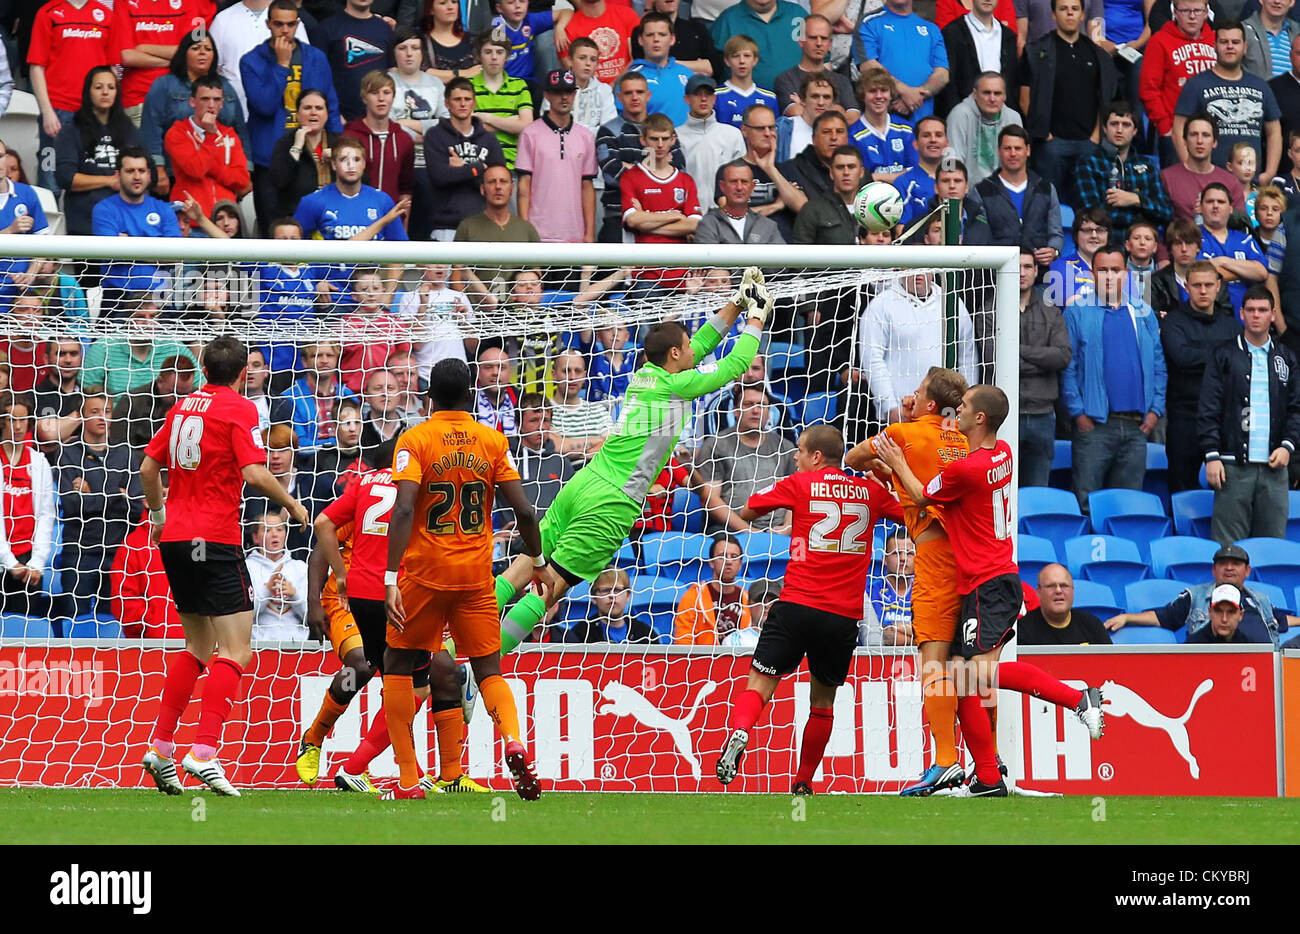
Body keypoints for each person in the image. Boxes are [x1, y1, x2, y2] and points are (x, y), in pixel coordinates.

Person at [491, 269, 774, 655]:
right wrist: (756, 317)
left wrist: (737, 303)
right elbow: (735, 366)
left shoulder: (647, 374)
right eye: (687, 346)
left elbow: (703, 344)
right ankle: (477, 661)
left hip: (584, 483)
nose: (694, 349)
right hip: (612, 501)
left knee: (523, 565)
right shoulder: (676, 385)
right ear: (675, 354)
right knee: (549, 587)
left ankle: (455, 642)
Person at [874, 384, 1106, 797]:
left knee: (972, 674)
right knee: (965, 683)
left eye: (962, 408)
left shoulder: (969, 469)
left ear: (980, 418)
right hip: (987, 581)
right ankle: (987, 778)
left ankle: (1077, 698)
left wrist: (896, 459)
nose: (955, 412)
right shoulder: (1001, 455)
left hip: (990, 584)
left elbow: (921, 496)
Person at [138, 337, 312, 797]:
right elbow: (255, 472)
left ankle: (160, 747)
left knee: (197, 648)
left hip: (176, 539)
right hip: (213, 540)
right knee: (236, 652)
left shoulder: (180, 409)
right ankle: (204, 753)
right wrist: (292, 503)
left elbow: (148, 468)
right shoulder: (239, 408)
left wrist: (158, 518)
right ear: (241, 374)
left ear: (203, 367)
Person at [382, 357, 545, 800]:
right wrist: (537, 558)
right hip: (475, 577)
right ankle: (513, 739)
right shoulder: (493, 441)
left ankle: (409, 782)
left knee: (397, 664)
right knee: (489, 670)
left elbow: (402, 508)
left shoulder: (414, 439)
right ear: (471, 395)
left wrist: (390, 577)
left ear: (428, 395)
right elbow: (526, 512)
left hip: (424, 575)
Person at [716, 424, 904, 793]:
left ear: (816, 457)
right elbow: (909, 515)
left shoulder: (800, 485)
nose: (794, 457)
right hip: (842, 616)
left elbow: (750, 510)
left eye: (800, 451)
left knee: (760, 685)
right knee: (822, 702)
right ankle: (803, 783)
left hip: (796, 605)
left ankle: (740, 732)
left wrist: (792, 521)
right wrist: (886, 480)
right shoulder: (871, 494)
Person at [301, 435, 486, 794]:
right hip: (349, 598)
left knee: (441, 672)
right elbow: (320, 549)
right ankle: (316, 738)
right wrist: (315, 601)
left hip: (400, 600)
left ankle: (448, 776)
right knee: (365, 667)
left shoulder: (408, 494)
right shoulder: (377, 495)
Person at [844, 367, 970, 790]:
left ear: (930, 403)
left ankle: (946, 760)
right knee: (971, 664)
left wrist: (899, 432)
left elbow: (853, 458)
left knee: (934, 663)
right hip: (974, 554)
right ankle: (989, 766)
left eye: (917, 392)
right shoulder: (964, 439)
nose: (910, 396)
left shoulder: (906, 433)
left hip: (935, 556)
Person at [1063, 245, 1167, 511]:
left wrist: (1155, 410)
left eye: (1116, 270)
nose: (1110, 276)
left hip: (1137, 426)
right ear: (1092, 273)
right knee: (1086, 504)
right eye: (1103, 270)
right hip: (1095, 426)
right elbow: (1068, 367)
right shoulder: (1077, 312)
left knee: (1128, 508)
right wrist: (1078, 413)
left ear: (1127, 273)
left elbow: (1158, 366)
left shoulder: (1144, 312)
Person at [1199, 286, 1300, 543]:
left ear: (1272, 314)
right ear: (1241, 313)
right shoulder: (1223, 354)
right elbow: (1208, 407)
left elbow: (1296, 408)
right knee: (1228, 551)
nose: (1256, 315)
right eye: (1251, 310)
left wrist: (1288, 446)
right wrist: (1212, 455)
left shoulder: (1286, 358)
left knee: (1273, 546)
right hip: (1233, 465)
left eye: (1263, 310)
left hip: (1274, 467)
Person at [241, 0, 342, 234]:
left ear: (298, 23)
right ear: (268, 24)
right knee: (273, 228)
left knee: (319, 227)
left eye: (290, 24)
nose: (285, 30)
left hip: (312, 157)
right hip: (270, 159)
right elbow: (264, 106)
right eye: (278, 24)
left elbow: (331, 104)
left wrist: (337, 146)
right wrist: (282, 65)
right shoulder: (251, 60)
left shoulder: (315, 57)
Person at [1019, 0, 1115, 205]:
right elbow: (1024, 99)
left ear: (1082, 15)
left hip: (1088, 144)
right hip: (1051, 145)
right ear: (1054, 15)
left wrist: (1096, 136)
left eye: (1074, 9)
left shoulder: (1097, 55)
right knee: (1044, 207)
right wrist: (1046, 134)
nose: (1069, 14)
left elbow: (1104, 99)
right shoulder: (1036, 52)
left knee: (1091, 212)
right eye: (1063, 9)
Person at [1161, 260, 1243, 493]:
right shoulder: (1173, 322)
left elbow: (1240, 363)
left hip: (1224, 420)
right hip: (1184, 417)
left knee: (1228, 491)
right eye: (1197, 285)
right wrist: (1223, 355)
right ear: (1187, 288)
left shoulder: (1232, 326)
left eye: (1208, 284)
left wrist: (1206, 356)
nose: (1203, 290)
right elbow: (1182, 357)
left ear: (1219, 286)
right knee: (1181, 488)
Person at [1104, 542, 1286, 644]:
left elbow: (1282, 621)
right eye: (1223, 564)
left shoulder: (1260, 599)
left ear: (1247, 571)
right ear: (1214, 570)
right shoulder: (1196, 596)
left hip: (1265, 667)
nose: (1229, 568)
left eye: (1236, 564)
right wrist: (1128, 618)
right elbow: (1165, 617)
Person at [862, 267, 979, 424]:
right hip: (901, 413)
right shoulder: (881, 305)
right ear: (899, 269)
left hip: (946, 414)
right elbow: (872, 359)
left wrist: (968, 403)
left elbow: (967, 355)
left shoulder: (952, 302)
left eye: (924, 267)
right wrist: (889, 406)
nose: (917, 273)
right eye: (910, 267)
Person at [1174, 19, 1282, 179]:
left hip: (1249, 181)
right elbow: (1178, 130)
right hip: (1208, 180)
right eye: (1224, 42)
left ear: (1245, 47)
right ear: (1214, 46)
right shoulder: (1196, 85)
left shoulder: (1261, 86)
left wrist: (1270, 173)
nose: (1230, 46)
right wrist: (1191, 170)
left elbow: (1274, 132)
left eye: (1235, 42)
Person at [27, 0, 114, 194]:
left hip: (95, 113)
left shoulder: (105, 15)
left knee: (94, 177)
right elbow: (36, 66)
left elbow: (112, 68)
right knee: (49, 178)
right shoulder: (48, 12)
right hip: (57, 111)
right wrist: (47, 111)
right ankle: (48, 224)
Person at [141, 33, 250, 179]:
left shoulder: (225, 86)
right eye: (196, 48)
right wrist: (158, 169)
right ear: (184, 53)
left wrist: (246, 169)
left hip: (223, 174)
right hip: (176, 172)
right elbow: (151, 129)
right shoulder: (165, 85)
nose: (202, 52)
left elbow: (240, 130)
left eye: (208, 49)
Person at [596, 71, 684, 241]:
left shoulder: (664, 128)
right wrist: (657, 171)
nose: (634, 97)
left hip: (662, 217)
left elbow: (679, 171)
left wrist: (630, 168)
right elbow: (611, 175)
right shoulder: (608, 131)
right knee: (618, 269)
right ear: (619, 97)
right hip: (619, 217)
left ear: (648, 95)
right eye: (628, 93)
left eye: (640, 92)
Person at [55, 67, 144, 237]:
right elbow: (66, 177)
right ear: (88, 91)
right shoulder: (71, 130)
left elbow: (147, 170)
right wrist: (109, 181)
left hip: (125, 222)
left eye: (111, 87)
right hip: (85, 224)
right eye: (98, 87)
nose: (105, 92)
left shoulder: (129, 130)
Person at [697, 382, 797, 533]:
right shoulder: (715, 445)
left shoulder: (786, 447)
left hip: (779, 532)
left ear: (769, 412)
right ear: (735, 411)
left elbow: (796, 494)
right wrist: (749, 531)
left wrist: (787, 528)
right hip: (730, 533)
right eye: (748, 404)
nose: (756, 410)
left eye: (762, 405)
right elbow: (710, 499)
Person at [516, 70, 597, 245]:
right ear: (547, 95)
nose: (564, 97)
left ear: (575, 94)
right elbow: (524, 186)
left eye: (568, 92)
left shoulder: (586, 136)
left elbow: (587, 187)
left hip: (574, 235)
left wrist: (589, 233)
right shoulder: (530, 133)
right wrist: (524, 232)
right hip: (538, 235)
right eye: (557, 92)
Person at [1075, 101, 1174, 241]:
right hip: (1104, 247)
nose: (1119, 130)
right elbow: (1092, 214)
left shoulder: (1147, 166)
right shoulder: (1088, 162)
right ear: (1104, 128)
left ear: (1135, 131)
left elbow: (1166, 212)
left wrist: (1135, 199)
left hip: (1141, 249)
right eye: (1114, 124)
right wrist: (1141, 216)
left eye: (1126, 125)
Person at [422, 77, 507, 240]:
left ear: (474, 103)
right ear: (447, 103)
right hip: (446, 227)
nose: (462, 104)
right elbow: (439, 177)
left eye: (467, 99)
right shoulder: (435, 135)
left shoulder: (489, 139)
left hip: (484, 225)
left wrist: (461, 168)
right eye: (457, 99)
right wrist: (478, 169)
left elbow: (498, 182)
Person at [975, 125, 1065, 269]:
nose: (1013, 153)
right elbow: (979, 238)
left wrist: (1053, 250)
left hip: (1038, 275)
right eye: (1007, 148)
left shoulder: (1046, 189)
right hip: (997, 275)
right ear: (999, 151)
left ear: (1028, 150)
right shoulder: (982, 190)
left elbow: (1056, 234)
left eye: (1018, 148)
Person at [1140, 0, 1217, 166]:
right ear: (1174, 12)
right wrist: (1165, 128)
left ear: (1206, 13)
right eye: (1185, 11)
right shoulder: (1159, 41)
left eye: (1197, 11)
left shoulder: (1216, 39)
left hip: (1213, 134)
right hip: (1176, 133)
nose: (1191, 16)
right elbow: (1148, 89)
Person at [164, 76, 253, 220]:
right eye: (205, 99)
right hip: (191, 222)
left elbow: (242, 180)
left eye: (216, 99)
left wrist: (212, 168)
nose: (211, 105)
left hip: (224, 221)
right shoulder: (178, 132)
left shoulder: (228, 134)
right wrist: (211, 137)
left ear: (222, 103)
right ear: (192, 101)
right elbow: (196, 169)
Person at [1018, 247, 1072, 487]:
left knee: (1039, 488)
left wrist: (1018, 351)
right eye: (1016, 267)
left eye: (1028, 266)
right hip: (1006, 415)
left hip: (1043, 414)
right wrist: (1042, 361)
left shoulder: (1051, 312)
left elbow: (1061, 357)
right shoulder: (991, 309)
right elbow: (993, 357)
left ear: (1037, 271)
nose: (1022, 273)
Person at [110, 0, 208, 126]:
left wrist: (144, 48)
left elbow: (194, 51)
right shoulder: (123, 2)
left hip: (180, 96)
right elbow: (127, 56)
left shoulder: (188, 2)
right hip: (138, 99)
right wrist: (174, 61)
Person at [82, 297, 199, 400]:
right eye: (140, 317)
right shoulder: (103, 347)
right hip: (117, 419)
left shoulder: (174, 346)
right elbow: (89, 394)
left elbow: (201, 385)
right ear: (127, 320)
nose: (148, 323)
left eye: (153, 316)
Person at [854, 0, 951, 123]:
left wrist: (918, 95)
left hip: (923, 124)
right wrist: (905, 91)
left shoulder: (931, 29)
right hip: (884, 120)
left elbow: (942, 74)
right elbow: (868, 66)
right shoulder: (869, 23)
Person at [210, 0, 309, 116]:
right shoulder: (222, 20)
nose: (285, 28)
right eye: (278, 24)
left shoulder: (287, 18)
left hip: (285, 114)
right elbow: (211, 69)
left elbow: (305, 64)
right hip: (234, 113)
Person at [343, 69, 416, 208]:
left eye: (386, 93)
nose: (381, 98)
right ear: (364, 97)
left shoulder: (403, 139)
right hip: (357, 218)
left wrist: (402, 227)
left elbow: (405, 189)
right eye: (375, 93)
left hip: (391, 220)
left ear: (393, 97)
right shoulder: (350, 137)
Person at [937, 0, 1018, 120]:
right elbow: (950, 84)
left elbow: (1012, 83)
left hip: (1001, 118)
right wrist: (957, 116)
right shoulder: (952, 32)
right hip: (964, 116)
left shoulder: (1008, 36)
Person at [267, 90, 341, 221]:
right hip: (296, 219)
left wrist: (339, 158)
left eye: (319, 108)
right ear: (298, 115)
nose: (313, 112)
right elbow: (279, 181)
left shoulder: (339, 143)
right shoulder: (285, 143)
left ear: (327, 114)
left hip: (337, 215)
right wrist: (296, 147)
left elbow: (361, 178)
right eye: (307, 108)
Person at [773, 14, 860, 123]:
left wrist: (805, 106)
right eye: (813, 38)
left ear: (829, 44)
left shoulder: (841, 80)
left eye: (823, 39)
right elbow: (795, 112)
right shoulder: (785, 79)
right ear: (801, 41)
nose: (819, 43)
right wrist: (837, 109)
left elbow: (854, 116)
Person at [1161, 114, 1248, 223]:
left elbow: (1242, 222)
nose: (1199, 141)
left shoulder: (1231, 181)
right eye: (1193, 134)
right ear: (1184, 141)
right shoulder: (1167, 177)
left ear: (1215, 142)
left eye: (1206, 135)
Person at [317, 0, 393, 121]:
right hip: (342, 120)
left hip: (380, 120)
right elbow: (318, 77)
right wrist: (333, 114)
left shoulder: (385, 28)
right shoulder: (326, 28)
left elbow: (393, 73)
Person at [469, 28, 533, 171]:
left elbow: (527, 126)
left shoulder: (519, 85)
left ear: (507, 56)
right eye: (488, 52)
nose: (494, 57)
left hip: (513, 165)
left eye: (499, 52)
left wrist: (486, 117)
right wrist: (512, 122)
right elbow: (466, 128)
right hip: (477, 165)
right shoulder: (467, 85)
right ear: (479, 55)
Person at [1199, 182, 1269, 312]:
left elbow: (1261, 272)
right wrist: (1246, 272)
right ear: (1200, 207)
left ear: (1231, 208)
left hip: (1247, 315)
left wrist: (1223, 261)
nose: (1215, 206)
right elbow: (1200, 275)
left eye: (1221, 202)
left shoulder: (1245, 239)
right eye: (1210, 201)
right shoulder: (1193, 238)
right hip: (1211, 315)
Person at [945, 71, 1022, 187]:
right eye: (986, 93)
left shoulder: (1013, 118)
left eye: (997, 93)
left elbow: (1018, 163)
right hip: (968, 193)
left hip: (1002, 193)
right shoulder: (959, 115)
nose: (992, 98)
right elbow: (951, 160)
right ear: (975, 94)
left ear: (1005, 96)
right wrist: (955, 200)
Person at [673, 533, 753, 644]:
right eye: (722, 556)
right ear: (711, 562)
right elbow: (683, 642)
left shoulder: (749, 600)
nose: (728, 561)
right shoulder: (694, 597)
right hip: (702, 660)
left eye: (734, 557)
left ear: (740, 564)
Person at [710, 0, 806, 92]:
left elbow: (819, 55)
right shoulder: (728, 19)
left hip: (799, 100)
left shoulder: (797, 13)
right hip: (744, 102)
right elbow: (713, 65)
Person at [676, 74, 746, 198]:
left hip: (725, 212)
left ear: (714, 99)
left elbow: (742, 178)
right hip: (689, 213)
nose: (703, 99)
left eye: (708, 94)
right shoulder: (675, 137)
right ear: (686, 99)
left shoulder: (733, 134)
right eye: (697, 94)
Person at [282, 341, 358, 453]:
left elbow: (356, 437)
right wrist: (336, 444)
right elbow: (298, 443)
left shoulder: (348, 395)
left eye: (330, 355)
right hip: (307, 465)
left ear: (337, 359)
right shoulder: (289, 398)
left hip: (345, 461)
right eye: (317, 356)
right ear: (304, 362)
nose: (324, 361)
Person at [246, 507, 309, 641]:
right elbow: (242, 617)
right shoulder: (247, 568)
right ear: (255, 537)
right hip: (258, 645)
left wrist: (294, 594)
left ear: (285, 534)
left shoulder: (301, 568)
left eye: (279, 529)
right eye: (267, 530)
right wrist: (267, 590)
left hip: (298, 645)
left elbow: (312, 617)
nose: (275, 534)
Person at [849, 67, 918, 184]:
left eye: (884, 90)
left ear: (891, 94)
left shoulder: (906, 129)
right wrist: (900, 176)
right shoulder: (853, 135)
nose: (879, 96)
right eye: (872, 91)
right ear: (862, 95)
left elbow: (916, 172)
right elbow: (859, 179)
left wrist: (877, 177)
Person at [696, 159, 785, 244]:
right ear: (722, 186)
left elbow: (782, 258)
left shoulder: (767, 226)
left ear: (752, 187)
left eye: (744, 182)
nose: (739, 187)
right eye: (733, 182)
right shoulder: (709, 224)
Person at [1018, 563, 1112, 644]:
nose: (1058, 590)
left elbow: (1111, 662)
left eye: (1064, 586)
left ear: (1072, 590)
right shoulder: (1022, 630)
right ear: (1038, 592)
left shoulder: (1092, 625)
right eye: (1051, 586)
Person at [630, 12, 696, 125]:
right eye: (650, 35)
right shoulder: (630, 79)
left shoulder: (687, 74)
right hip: (652, 141)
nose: (656, 39)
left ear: (672, 39)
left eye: (662, 34)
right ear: (640, 40)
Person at [564, 566, 658, 644]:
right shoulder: (581, 633)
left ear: (628, 595)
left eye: (617, 590)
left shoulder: (645, 634)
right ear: (593, 597)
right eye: (605, 590)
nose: (612, 595)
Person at [561, 0, 642, 85]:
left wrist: (614, 85)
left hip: (627, 86)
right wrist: (601, 91)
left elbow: (637, 59)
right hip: (591, 91)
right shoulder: (569, 26)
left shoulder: (627, 14)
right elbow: (573, 71)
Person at [893, 116, 952, 227]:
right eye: (926, 135)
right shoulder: (903, 183)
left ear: (947, 143)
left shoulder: (956, 180)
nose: (933, 139)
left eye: (938, 135)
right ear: (915, 144)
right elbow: (901, 231)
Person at [714, 34, 779, 130]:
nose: (742, 61)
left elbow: (774, 133)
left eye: (747, 56)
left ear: (755, 60)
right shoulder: (716, 96)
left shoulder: (769, 97)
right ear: (727, 61)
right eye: (736, 56)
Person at [864, 530, 916, 646]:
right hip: (878, 660)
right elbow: (884, 635)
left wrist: (902, 635)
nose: (903, 558)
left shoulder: (925, 593)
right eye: (896, 553)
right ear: (884, 559)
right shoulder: (870, 593)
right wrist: (911, 632)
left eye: (909, 553)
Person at [421, 0, 478, 84]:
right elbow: (421, 74)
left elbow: (482, 69)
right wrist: (465, 73)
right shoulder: (421, 41)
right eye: (443, 3)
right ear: (431, 10)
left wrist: (441, 75)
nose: (450, 7)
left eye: (454, 2)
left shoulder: (474, 40)